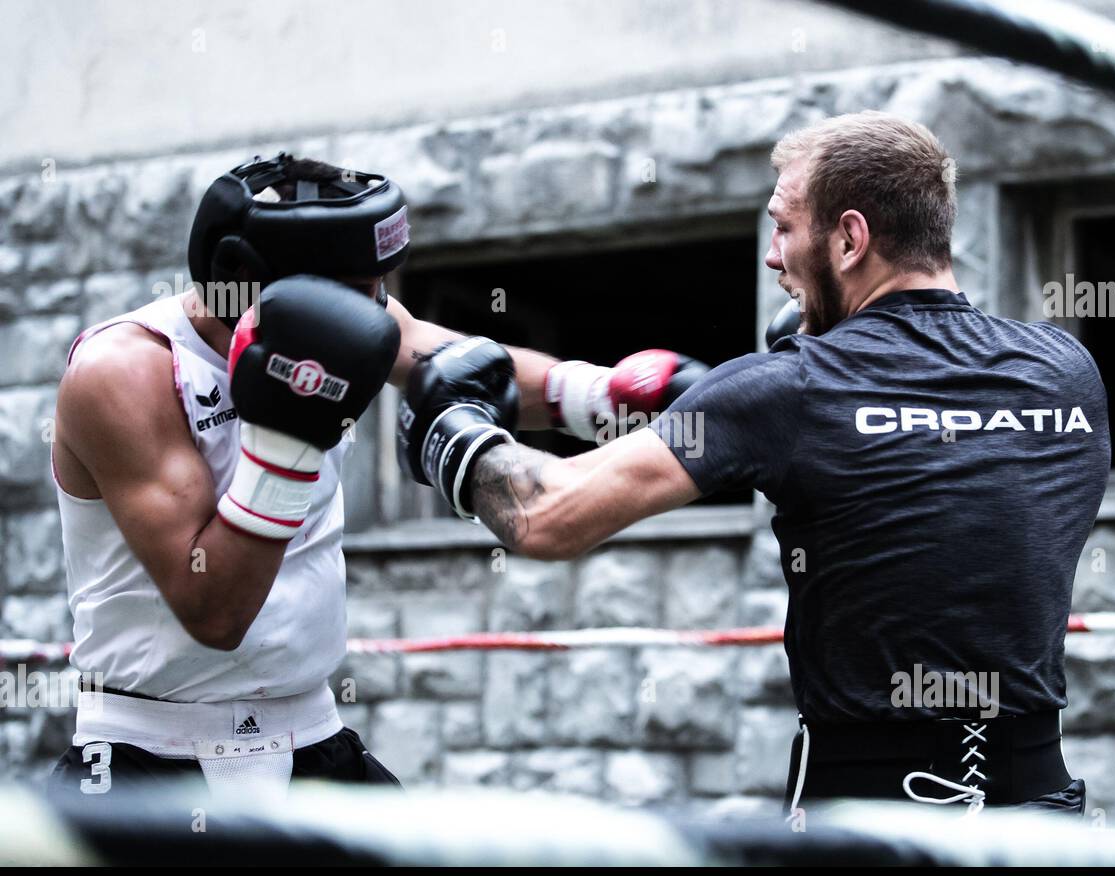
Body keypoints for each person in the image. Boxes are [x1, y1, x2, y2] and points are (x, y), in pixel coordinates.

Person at [395, 112, 1111, 819]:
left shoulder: (791, 388)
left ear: (850, 239)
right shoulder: (1063, 370)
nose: (772, 257)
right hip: (1041, 811)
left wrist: (454, 434)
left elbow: (546, 514)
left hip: (872, 819)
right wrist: (597, 396)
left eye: (784, 227)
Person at [48, 153, 704, 800]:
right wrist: (287, 443)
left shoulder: (345, 319)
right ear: (246, 278)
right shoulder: (126, 371)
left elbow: (463, 369)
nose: (374, 311)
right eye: (353, 290)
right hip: (147, 754)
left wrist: (601, 395)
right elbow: (215, 612)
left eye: (377, 285)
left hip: (309, 737)